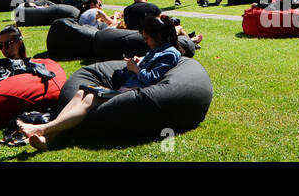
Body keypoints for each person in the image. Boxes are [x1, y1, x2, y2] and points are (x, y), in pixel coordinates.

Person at [15, 16, 184, 152]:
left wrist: (136, 69)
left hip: (132, 93)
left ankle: (41, 129)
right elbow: (150, 67)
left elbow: (153, 78)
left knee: (89, 100)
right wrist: (140, 62)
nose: (146, 42)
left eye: (147, 38)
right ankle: (47, 139)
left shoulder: (169, 53)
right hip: (124, 88)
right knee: (81, 93)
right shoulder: (157, 49)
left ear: (158, 36)